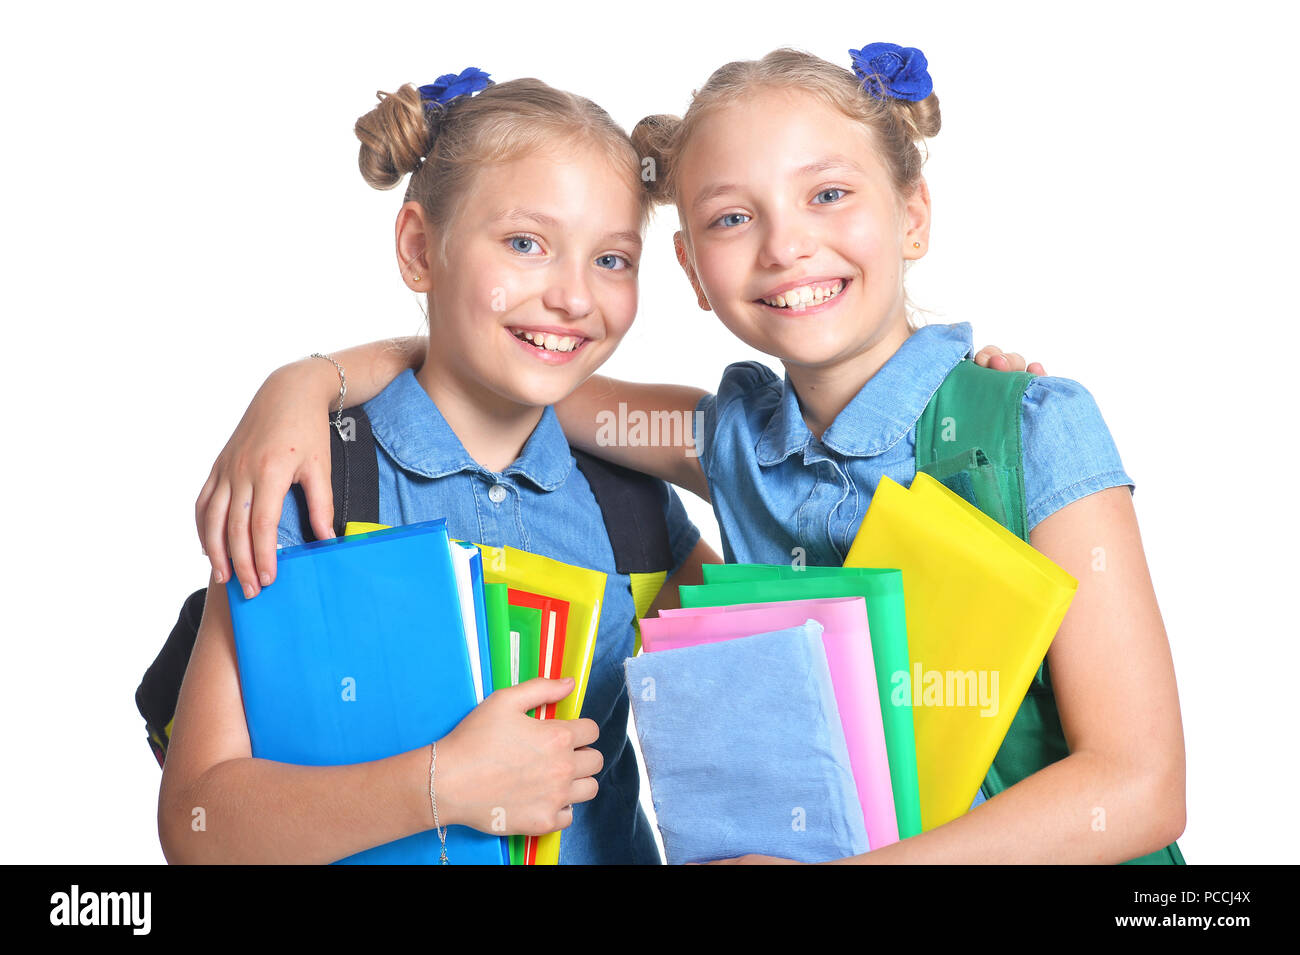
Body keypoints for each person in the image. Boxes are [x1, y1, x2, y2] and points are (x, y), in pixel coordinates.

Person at [159, 69, 710, 864]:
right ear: (421, 248)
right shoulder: (312, 485)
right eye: (526, 244)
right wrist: (443, 782)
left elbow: (773, 708)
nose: (572, 296)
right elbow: (198, 825)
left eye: (613, 260)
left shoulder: (629, 503)